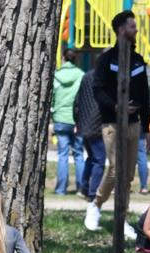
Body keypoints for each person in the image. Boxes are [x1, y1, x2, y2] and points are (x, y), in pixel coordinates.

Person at [86, 10, 150, 238]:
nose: (136, 31)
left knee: (129, 175)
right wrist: (116, 106)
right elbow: (98, 90)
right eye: (133, 27)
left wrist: (147, 128)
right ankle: (95, 204)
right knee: (116, 169)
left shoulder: (138, 60)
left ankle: (121, 219)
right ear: (122, 30)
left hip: (134, 124)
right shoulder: (106, 60)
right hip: (112, 123)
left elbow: (145, 94)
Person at [51, 47, 84, 195]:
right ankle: (81, 187)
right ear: (76, 59)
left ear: (63, 58)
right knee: (78, 154)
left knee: (63, 155)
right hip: (77, 121)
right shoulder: (81, 76)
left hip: (60, 119)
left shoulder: (56, 76)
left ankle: (60, 189)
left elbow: (52, 98)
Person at [72, 64, 106, 206]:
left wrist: (77, 121)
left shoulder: (86, 76)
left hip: (84, 124)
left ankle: (84, 187)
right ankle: (92, 193)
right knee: (99, 160)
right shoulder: (104, 78)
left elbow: (77, 101)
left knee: (91, 157)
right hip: (97, 125)